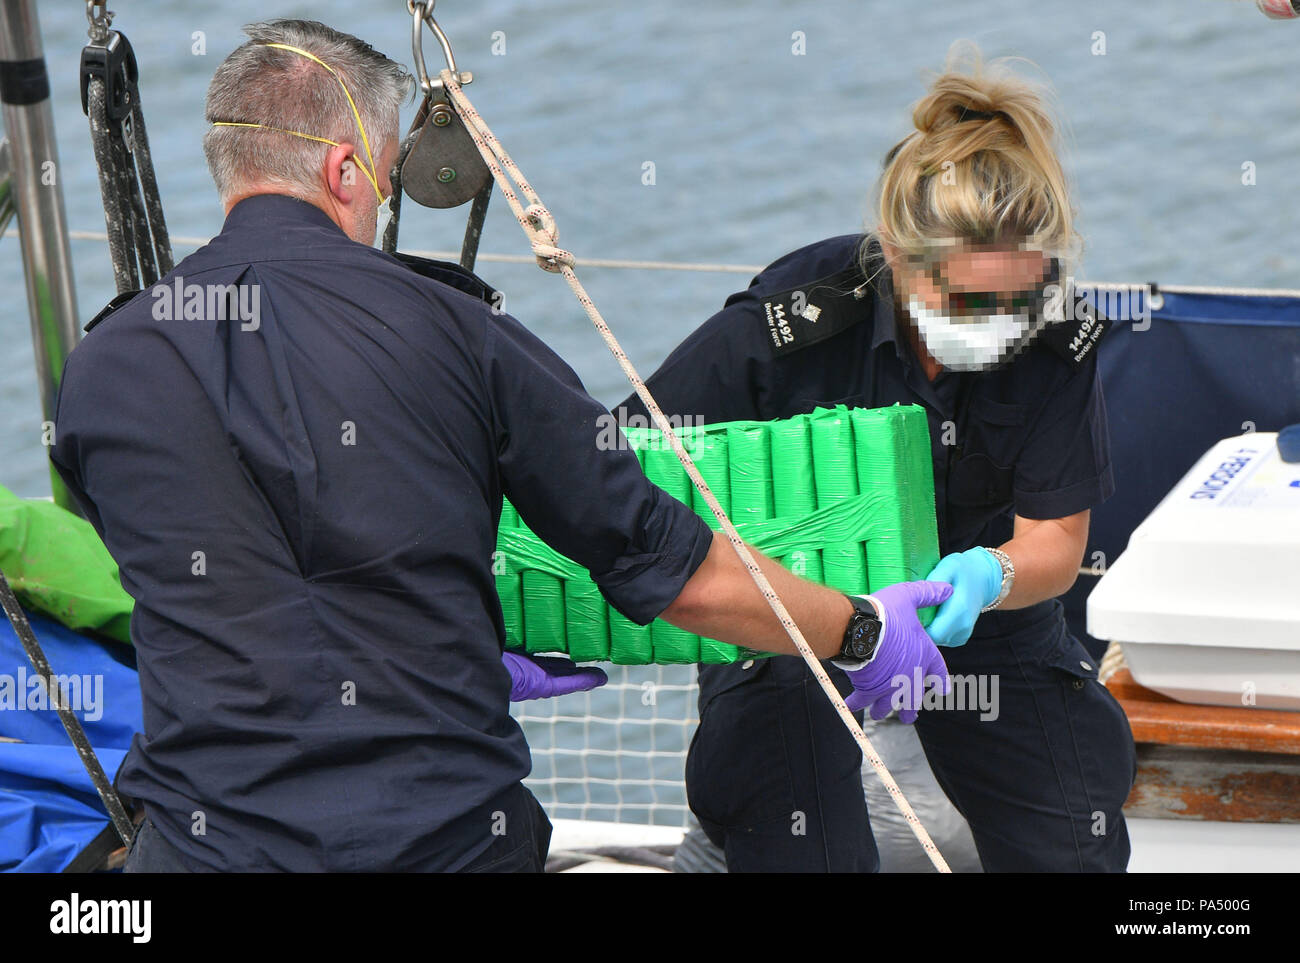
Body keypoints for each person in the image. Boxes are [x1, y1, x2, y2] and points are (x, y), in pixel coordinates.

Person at [49, 19, 948, 873]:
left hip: (209, 848)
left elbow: (209, 573)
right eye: (390, 178)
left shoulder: (99, 371)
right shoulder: (456, 331)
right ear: (343, 170)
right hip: (440, 839)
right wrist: (860, 630)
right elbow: (673, 568)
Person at [620, 44, 1138, 873]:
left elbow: (1056, 539)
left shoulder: (1056, 337)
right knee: (798, 841)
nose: (996, 319)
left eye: (1016, 296)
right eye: (965, 298)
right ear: (897, 256)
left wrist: (990, 576)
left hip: (976, 611)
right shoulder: (789, 324)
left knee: (1074, 840)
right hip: (798, 610)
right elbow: (620, 469)